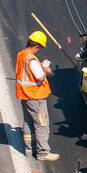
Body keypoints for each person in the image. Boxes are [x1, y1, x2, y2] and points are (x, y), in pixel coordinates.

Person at [15, 31, 59, 162]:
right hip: (35, 96)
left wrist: (40, 67)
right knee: (42, 124)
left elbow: (27, 72)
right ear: (37, 46)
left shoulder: (22, 54)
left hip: (25, 94)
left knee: (28, 122)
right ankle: (43, 152)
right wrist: (45, 70)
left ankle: (29, 149)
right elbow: (40, 76)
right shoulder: (32, 59)